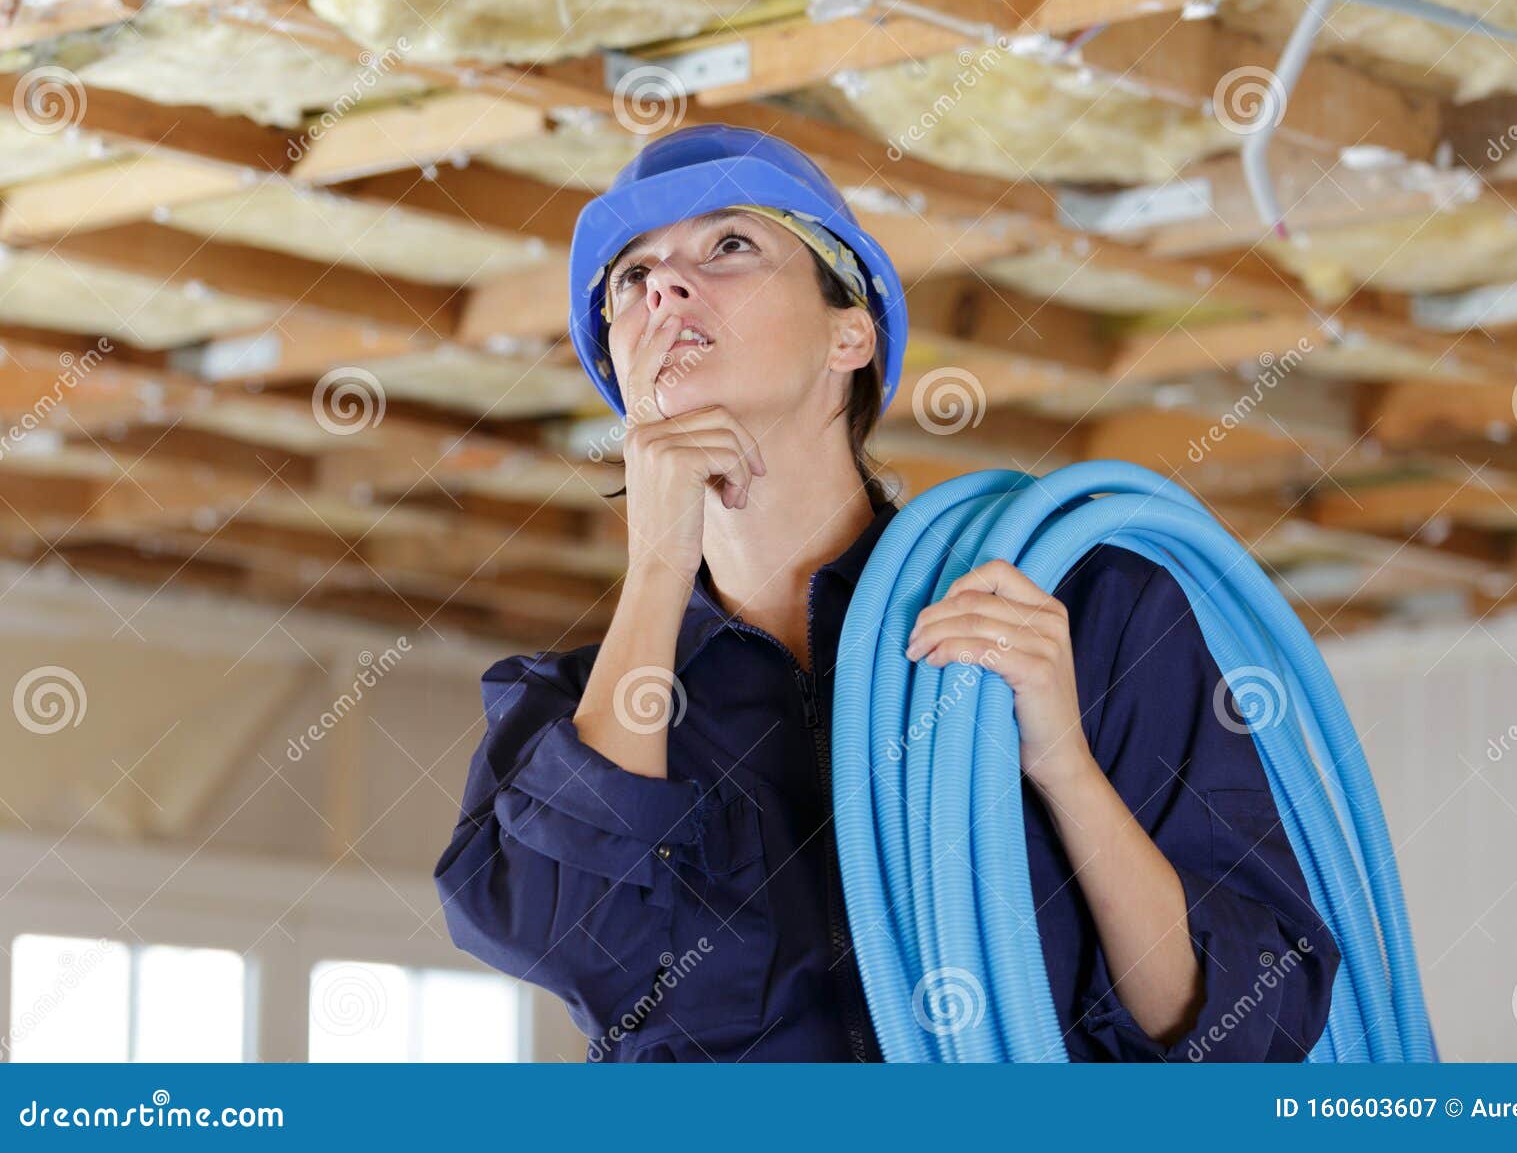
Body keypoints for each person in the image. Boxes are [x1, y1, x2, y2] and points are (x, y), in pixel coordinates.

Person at [433, 124, 1339, 1062]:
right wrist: (660, 566)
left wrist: (1064, 763)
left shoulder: (1073, 612)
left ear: (850, 331)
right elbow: (557, 939)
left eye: (729, 245)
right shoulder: (567, 716)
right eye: (632, 279)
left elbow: (1247, 1024)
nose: (664, 286)